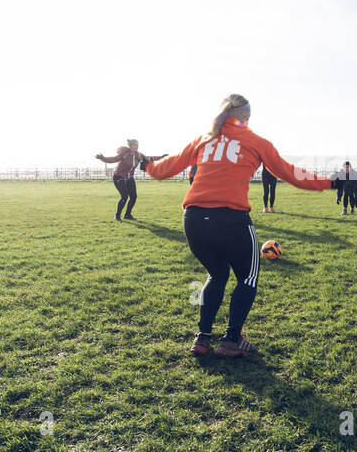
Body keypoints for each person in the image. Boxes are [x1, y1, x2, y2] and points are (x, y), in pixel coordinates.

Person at [141, 94, 331, 358]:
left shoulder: (204, 139)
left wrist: (149, 166)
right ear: (247, 118)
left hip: (194, 220)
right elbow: (289, 172)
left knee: (217, 275)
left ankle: (202, 338)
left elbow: (167, 166)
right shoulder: (256, 142)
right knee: (248, 277)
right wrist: (329, 182)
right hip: (230, 219)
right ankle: (231, 339)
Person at [95, 139, 162, 221]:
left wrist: (161, 157)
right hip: (119, 177)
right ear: (131, 145)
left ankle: (127, 215)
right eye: (135, 145)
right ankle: (117, 216)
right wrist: (103, 158)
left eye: (138, 145)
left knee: (134, 197)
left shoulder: (139, 155)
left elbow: (149, 158)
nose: (137, 146)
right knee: (124, 197)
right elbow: (113, 159)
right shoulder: (125, 153)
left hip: (129, 178)